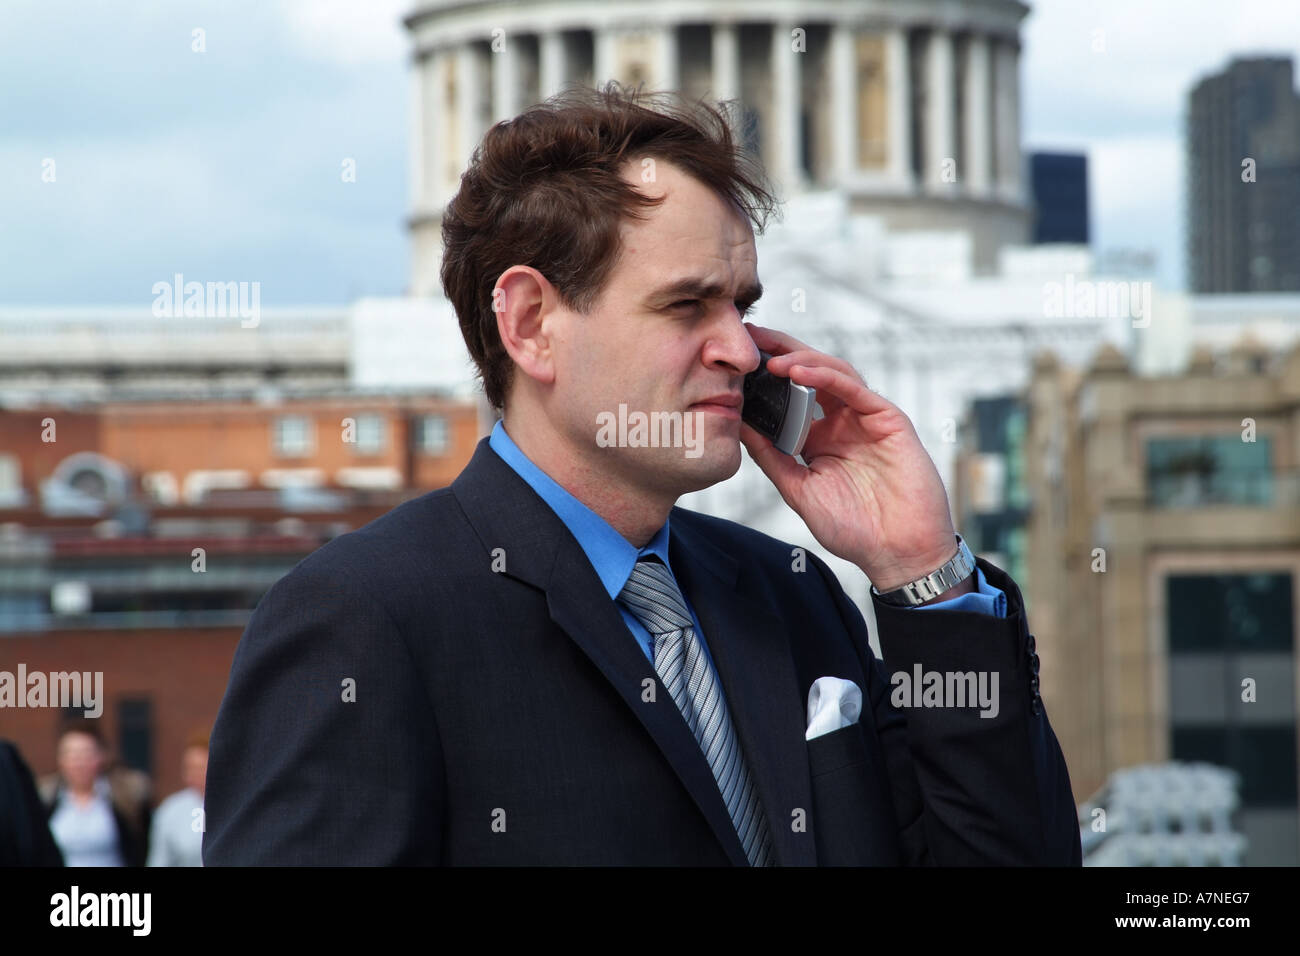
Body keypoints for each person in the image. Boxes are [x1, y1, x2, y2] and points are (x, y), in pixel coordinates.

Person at [204, 82, 1080, 866]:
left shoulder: (794, 594)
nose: (741, 350)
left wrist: (923, 575)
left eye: (743, 306)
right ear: (532, 322)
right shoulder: (366, 622)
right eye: (686, 305)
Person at [40, 722, 151, 867]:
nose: (79, 762)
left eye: (86, 754)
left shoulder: (127, 799)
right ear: (60, 759)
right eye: (72, 755)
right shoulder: (44, 800)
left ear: (101, 757)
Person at [147, 732, 208, 867]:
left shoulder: (232, 806)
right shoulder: (171, 810)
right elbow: (159, 859)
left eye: (201, 768)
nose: (195, 774)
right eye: (190, 768)